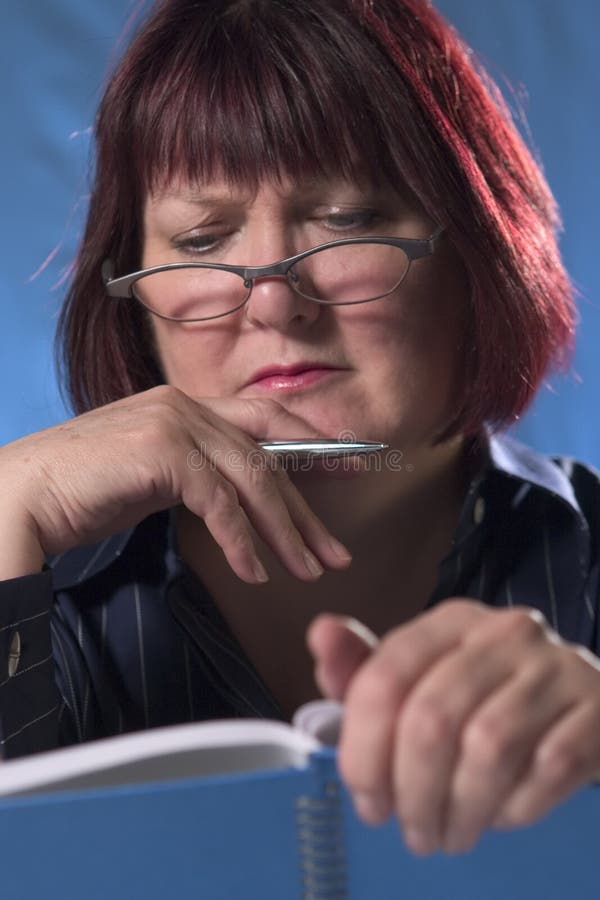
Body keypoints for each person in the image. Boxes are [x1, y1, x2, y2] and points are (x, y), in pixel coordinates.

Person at [0, 0, 598, 859]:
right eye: (203, 238)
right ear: (135, 307)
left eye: (347, 221)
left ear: (477, 252)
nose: (276, 301)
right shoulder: (37, 589)